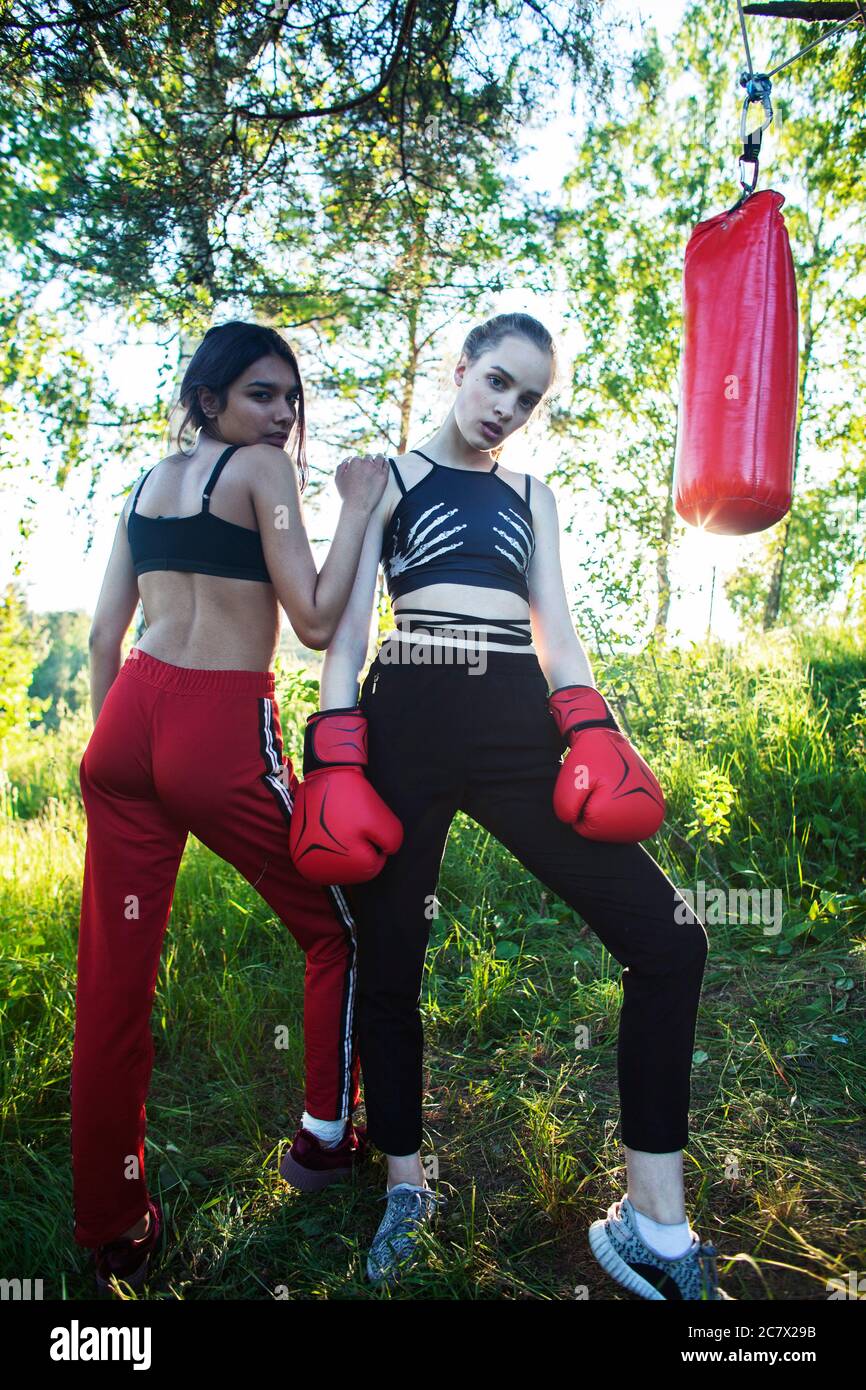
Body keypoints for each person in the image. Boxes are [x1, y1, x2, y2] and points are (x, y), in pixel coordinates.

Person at [294, 310, 723, 1299]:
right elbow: (345, 635)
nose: (507, 409)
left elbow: (557, 635)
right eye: (496, 382)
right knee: (391, 961)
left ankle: (653, 1223)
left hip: (512, 719)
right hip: (403, 718)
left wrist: (594, 730)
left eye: (527, 397)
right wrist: (334, 756)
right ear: (460, 370)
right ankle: (406, 1186)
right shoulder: (390, 480)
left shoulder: (531, 494)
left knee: (668, 939)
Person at [71, 320, 392, 1295]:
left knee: (112, 979)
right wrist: (362, 508)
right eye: (263, 394)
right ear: (210, 399)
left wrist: (112, 763)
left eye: (291, 397)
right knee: (337, 925)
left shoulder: (143, 484)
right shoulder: (261, 476)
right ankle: (323, 1142)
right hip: (215, 725)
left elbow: (98, 635)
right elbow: (315, 618)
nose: (284, 414)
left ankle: (112, 1223)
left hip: (125, 724)